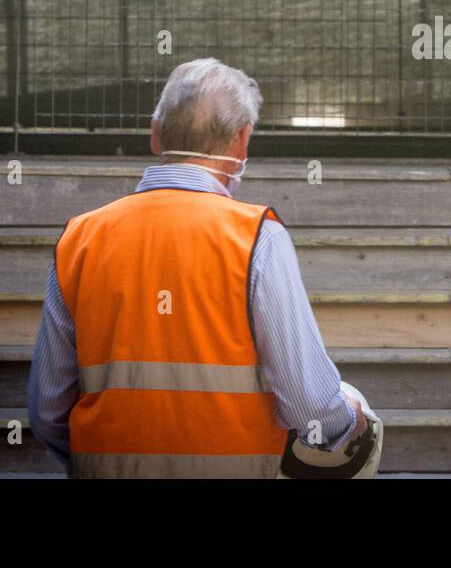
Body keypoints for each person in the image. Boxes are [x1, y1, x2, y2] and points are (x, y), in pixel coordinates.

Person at [28, 57, 366, 477]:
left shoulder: (80, 238)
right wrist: (350, 422)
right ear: (242, 142)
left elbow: (47, 412)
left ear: (155, 136)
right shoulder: (258, 238)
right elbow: (308, 402)